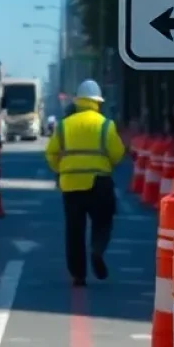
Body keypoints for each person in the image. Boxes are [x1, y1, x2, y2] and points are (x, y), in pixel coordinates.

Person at [45, 79, 126, 287]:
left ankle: (78, 274)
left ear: (78, 101)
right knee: (103, 221)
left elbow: (51, 153)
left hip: (71, 184)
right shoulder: (105, 124)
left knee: (74, 230)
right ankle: (97, 250)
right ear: (98, 102)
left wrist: (62, 170)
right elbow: (117, 154)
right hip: (100, 182)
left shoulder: (64, 125)